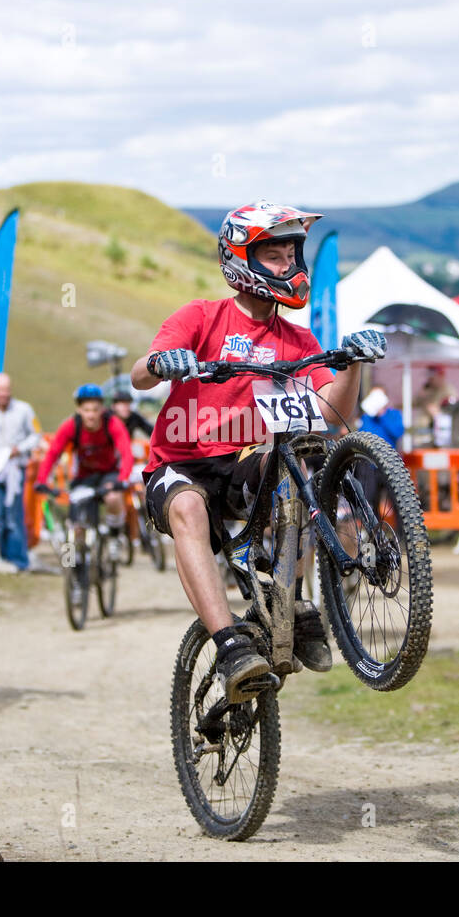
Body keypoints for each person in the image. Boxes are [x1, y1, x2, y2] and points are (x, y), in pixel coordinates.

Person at [129, 199, 381, 703]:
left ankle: (292, 600)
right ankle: (229, 646)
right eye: (275, 255)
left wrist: (352, 363)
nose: (288, 264)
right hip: (180, 464)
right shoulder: (202, 316)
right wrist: (163, 362)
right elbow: (139, 375)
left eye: (293, 253)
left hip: (244, 459)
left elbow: (330, 416)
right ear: (242, 259)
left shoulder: (297, 337)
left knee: (295, 467)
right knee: (188, 507)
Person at [34, 384, 135, 581]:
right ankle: (72, 571)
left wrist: (123, 479)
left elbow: (126, 452)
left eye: (95, 410)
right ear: (79, 410)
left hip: (108, 474)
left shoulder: (112, 423)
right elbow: (53, 453)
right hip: (84, 477)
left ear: (102, 410)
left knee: (114, 498)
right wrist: (41, 480)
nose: (91, 415)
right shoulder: (71, 426)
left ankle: (115, 537)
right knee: (74, 527)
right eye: (86, 410)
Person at [0, 373, 42, 572]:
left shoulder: (24, 410)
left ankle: (20, 559)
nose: (3, 394)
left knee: (15, 515)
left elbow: (36, 434)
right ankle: (4, 556)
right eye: (0, 390)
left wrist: (19, 449)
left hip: (16, 469)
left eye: (6, 390)